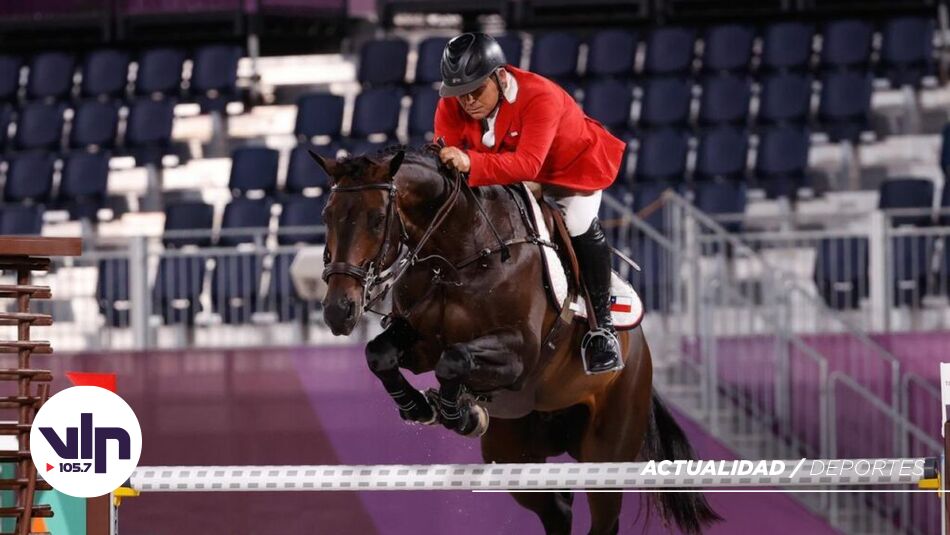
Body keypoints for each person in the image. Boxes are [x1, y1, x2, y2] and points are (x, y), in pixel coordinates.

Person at [434, 32, 626, 374]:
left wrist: (469, 162)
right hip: (506, 169)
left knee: (577, 224)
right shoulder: (454, 102)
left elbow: (528, 166)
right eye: (460, 95)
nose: (468, 102)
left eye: (476, 90)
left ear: (500, 76)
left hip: (569, 170)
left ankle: (602, 329)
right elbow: (446, 161)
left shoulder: (541, 96)